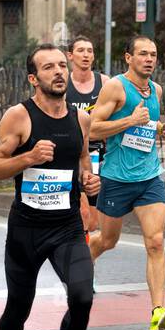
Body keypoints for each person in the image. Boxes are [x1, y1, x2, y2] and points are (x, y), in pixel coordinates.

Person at [0, 43, 100, 330]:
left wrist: (88, 183)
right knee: (19, 308)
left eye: (62, 65)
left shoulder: (80, 120)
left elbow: (82, 161)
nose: (59, 72)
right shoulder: (19, 117)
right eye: (48, 67)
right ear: (34, 78)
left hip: (65, 226)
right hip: (27, 229)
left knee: (82, 296)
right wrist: (28, 158)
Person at [87, 36, 165, 330]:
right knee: (107, 240)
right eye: (143, 54)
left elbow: (145, 125)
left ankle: (158, 312)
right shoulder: (115, 87)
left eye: (153, 54)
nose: (149, 59)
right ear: (128, 57)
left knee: (155, 241)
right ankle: (80, 268)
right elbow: (92, 127)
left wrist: (160, 129)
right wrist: (129, 120)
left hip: (149, 177)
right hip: (116, 178)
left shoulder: (157, 90)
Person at [64, 35, 109, 236]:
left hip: (99, 154)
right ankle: (77, 262)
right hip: (71, 154)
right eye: (81, 50)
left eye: (89, 51)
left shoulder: (105, 83)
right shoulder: (63, 83)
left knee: (92, 222)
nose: (86, 55)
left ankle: (83, 258)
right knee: (80, 214)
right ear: (70, 55)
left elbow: (114, 117)